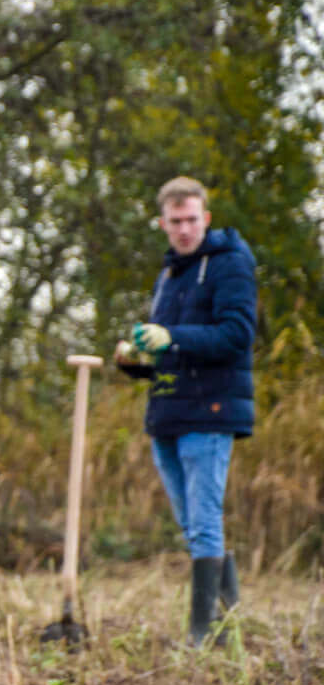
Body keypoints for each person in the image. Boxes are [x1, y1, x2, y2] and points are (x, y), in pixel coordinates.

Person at [114, 176, 257, 646]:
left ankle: (204, 636)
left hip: (211, 412)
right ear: (162, 223)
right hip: (169, 413)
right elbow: (169, 354)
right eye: (175, 221)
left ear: (206, 218)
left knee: (204, 520)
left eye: (192, 219)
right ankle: (224, 628)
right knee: (194, 525)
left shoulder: (229, 265)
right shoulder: (170, 274)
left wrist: (172, 337)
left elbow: (236, 334)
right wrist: (138, 361)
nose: (184, 229)